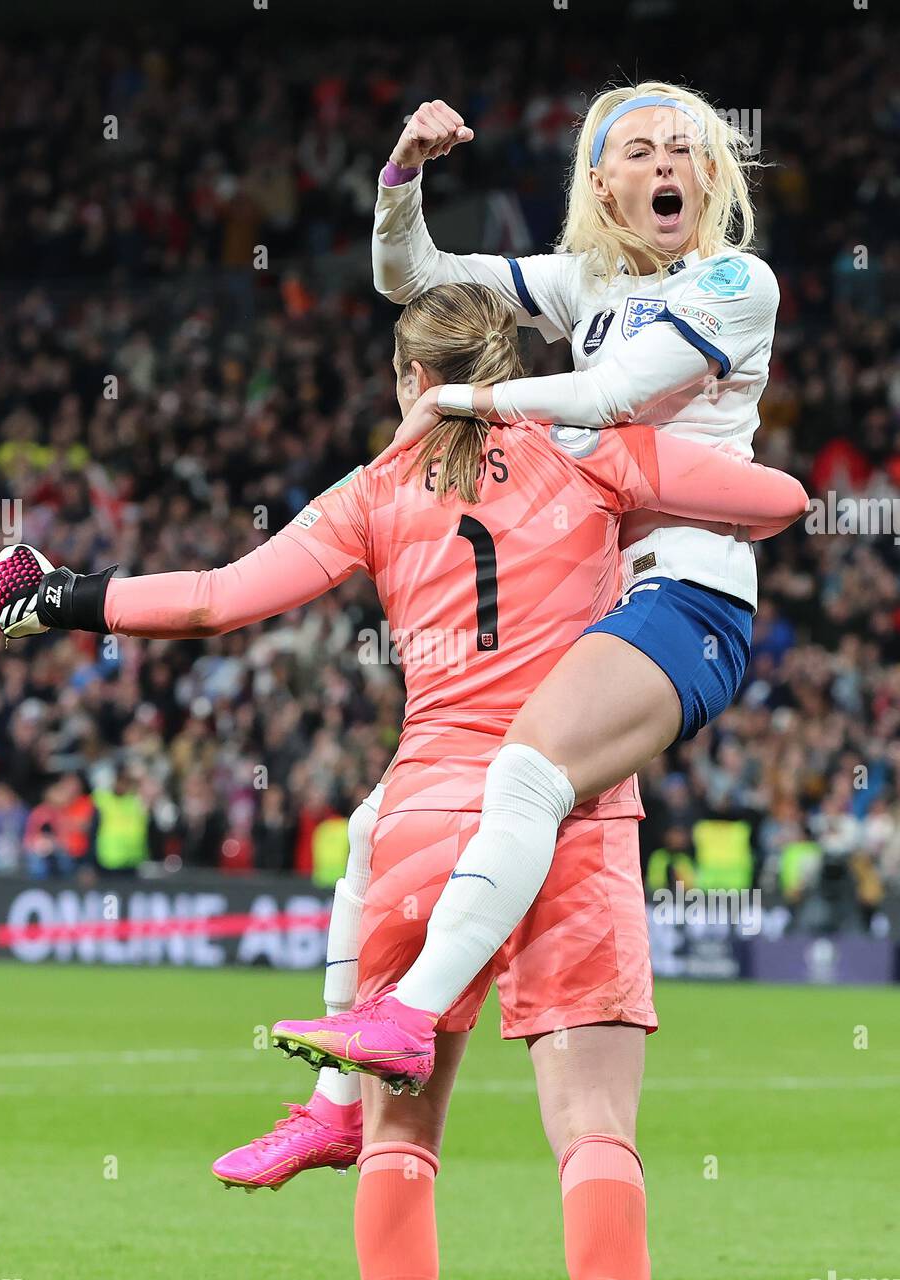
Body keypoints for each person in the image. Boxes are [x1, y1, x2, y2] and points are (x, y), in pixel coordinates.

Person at [0, 284, 806, 1280]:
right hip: (578, 811)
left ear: (410, 379)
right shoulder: (591, 451)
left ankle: (335, 1114)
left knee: (402, 1137)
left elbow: (214, 600)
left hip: (425, 811)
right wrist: (620, 449)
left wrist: (57, 596)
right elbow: (776, 502)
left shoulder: (375, 489)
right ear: (507, 372)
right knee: (595, 1131)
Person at [277, 81, 790, 1093]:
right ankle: (336, 1101)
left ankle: (409, 1019)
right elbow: (414, 281)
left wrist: (466, 397)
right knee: (389, 813)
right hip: (592, 606)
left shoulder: (738, 280)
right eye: (636, 150)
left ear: (711, 173)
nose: (663, 165)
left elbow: (612, 397)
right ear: (600, 180)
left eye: (682, 149)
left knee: (521, 776)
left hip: (684, 591)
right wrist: (402, 176)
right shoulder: (582, 284)